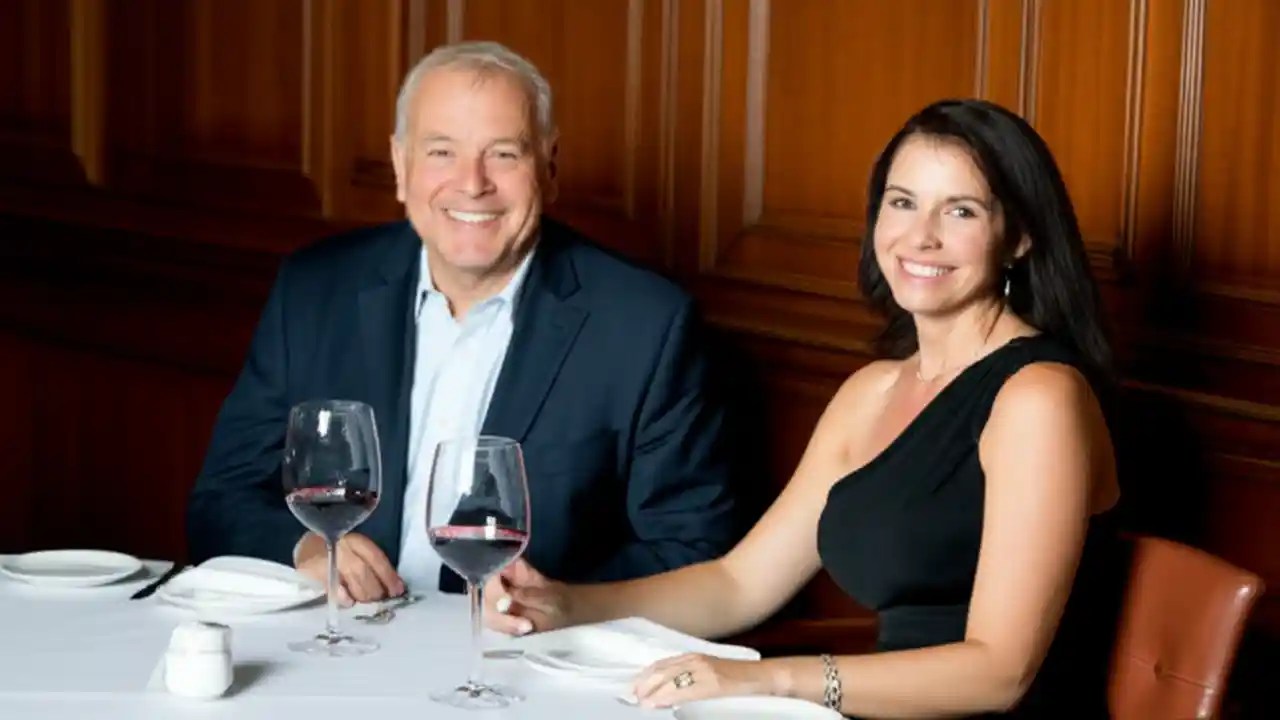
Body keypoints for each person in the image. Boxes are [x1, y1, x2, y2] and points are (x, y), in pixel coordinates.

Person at [485, 98, 1125, 718]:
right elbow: (738, 584)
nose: (920, 236)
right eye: (902, 203)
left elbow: (998, 674)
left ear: (1018, 237)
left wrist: (768, 678)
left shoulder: (1040, 396)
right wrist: (568, 606)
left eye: (960, 211)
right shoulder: (871, 392)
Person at [187, 41, 743, 604]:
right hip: (338, 640)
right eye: (441, 152)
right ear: (401, 167)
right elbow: (222, 499)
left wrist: (554, 603)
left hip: (523, 663)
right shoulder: (315, 289)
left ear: (548, 168)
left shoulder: (645, 325)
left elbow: (692, 550)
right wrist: (304, 547)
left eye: (503, 153)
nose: (472, 183)